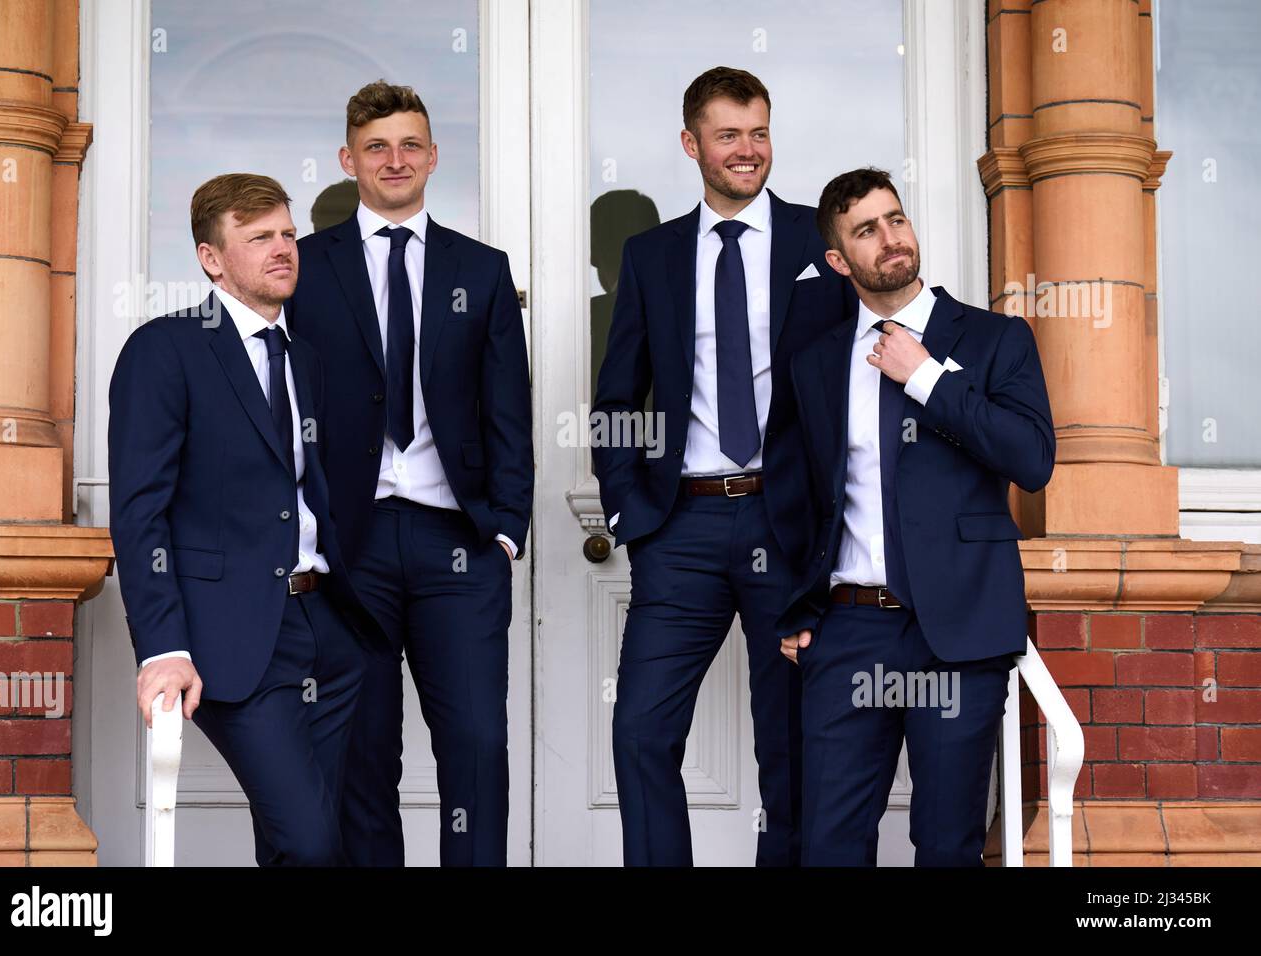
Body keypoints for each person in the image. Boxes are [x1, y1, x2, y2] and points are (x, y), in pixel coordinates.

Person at [591, 66, 856, 866]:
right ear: (691, 144)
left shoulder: (824, 243)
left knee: (793, 742)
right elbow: (617, 394)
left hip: (791, 524)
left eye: (760, 132)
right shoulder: (651, 255)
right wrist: (629, 510)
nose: (749, 150)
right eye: (729, 135)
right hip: (683, 526)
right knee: (640, 730)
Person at [777, 166, 1055, 866]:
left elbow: (1031, 459)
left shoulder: (997, 339)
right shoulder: (816, 362)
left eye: (895, 218)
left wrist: (927, 375)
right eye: (866, 230)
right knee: (830, 845)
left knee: (947, 843)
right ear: (841, 260)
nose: (890, 238)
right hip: (848, 632)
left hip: (958, 635)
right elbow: (791, 497)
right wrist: (796, 608)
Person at [289, 81, 533, 867]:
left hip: (456, 544)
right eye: (376, 147)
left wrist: (506, 533)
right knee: (362, 757)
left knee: (475, 745)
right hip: (346, 548)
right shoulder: (306, 267)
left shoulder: (483, 269)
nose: (395, 161)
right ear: (347, 160)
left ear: (433, 155)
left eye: (410, 145)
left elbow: (508, 414)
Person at [110, 173, 380, 866]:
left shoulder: (306, 359)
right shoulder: (164, 349)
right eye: (259, 237)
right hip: (233, 637)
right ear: (211, 258)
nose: (283, 249)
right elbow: (141, 511)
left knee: (308, 835)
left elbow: (312, 492)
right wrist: (162, 646)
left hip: (327, 632)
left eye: (288, 234)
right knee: (310, 841)